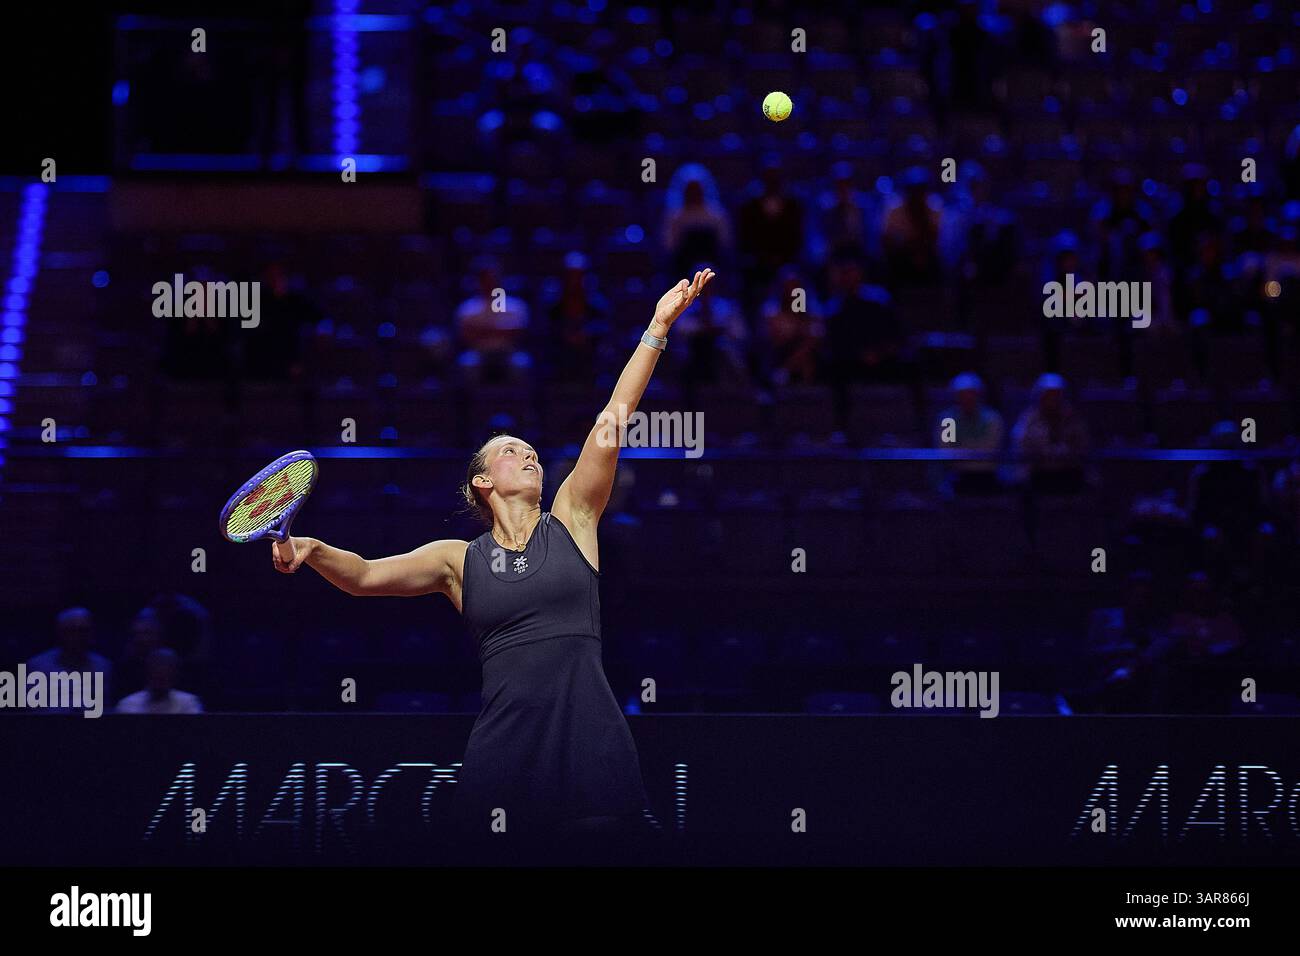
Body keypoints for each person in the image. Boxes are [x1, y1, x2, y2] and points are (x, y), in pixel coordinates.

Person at [269, 269, 716, 860]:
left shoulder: (574, 520)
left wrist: (657, 327)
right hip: (505, 746)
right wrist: (313, 550)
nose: (527, 452)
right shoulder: (456, 561)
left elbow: (614, 416)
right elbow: (368, 577)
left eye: (529, 448)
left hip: (590, 738)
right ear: (483, 482)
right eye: (510, 450)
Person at [26, 608, 114, 711]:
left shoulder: (103, 666)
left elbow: (105, 708)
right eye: (72, 631)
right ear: (59, 633)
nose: (78, 637)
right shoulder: (38, 666)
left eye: (83, 631)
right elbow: (33, 710)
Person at [115, 648, 203, 715]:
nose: (160, 675)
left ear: (175, 675)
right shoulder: (127, 705)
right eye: (156, 672)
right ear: (147, 673)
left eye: (166, 673)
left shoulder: (189, 703)